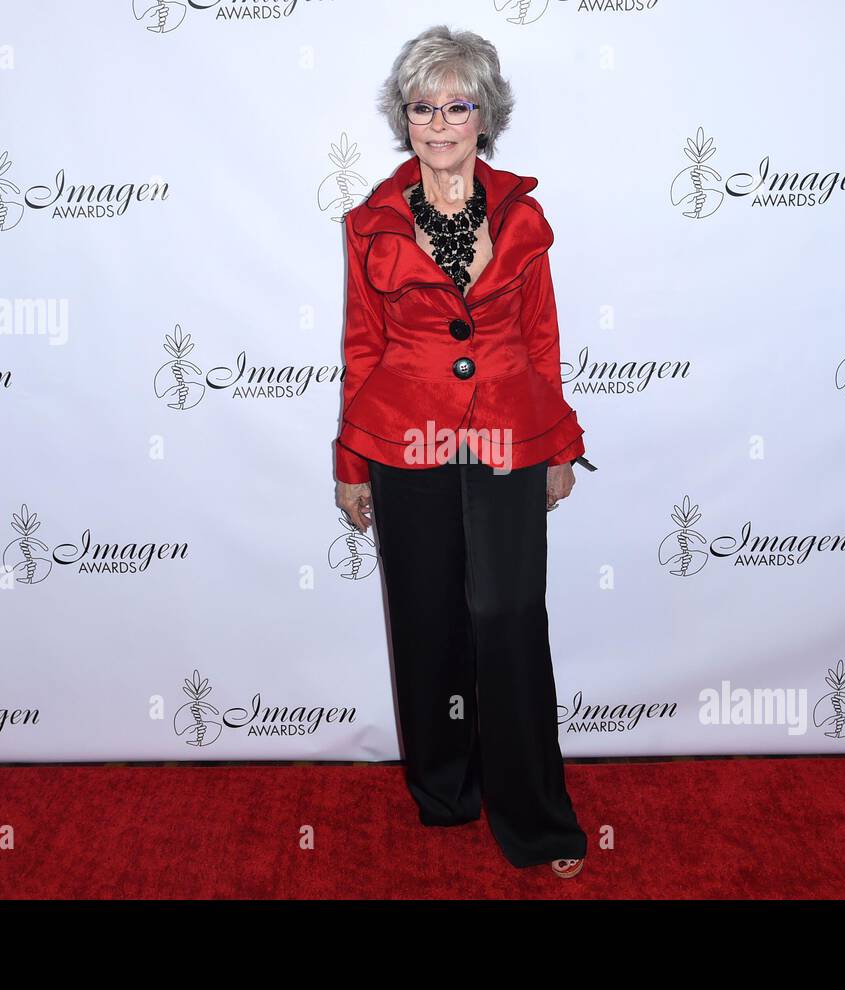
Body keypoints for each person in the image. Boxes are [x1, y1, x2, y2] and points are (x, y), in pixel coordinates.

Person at [332, 25, 595, 878]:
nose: (439, 121)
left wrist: (559, 443)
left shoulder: (522, 215)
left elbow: (543, 337)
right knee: (427, 619)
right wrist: (350, 461)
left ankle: (537, 818)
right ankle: (446, 791)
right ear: (402, 116)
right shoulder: (371, 221)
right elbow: (360, 347)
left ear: (486, 117)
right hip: (404, 440)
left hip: (510, 436)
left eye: (457, 104)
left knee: (508, 618)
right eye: (422, 105)